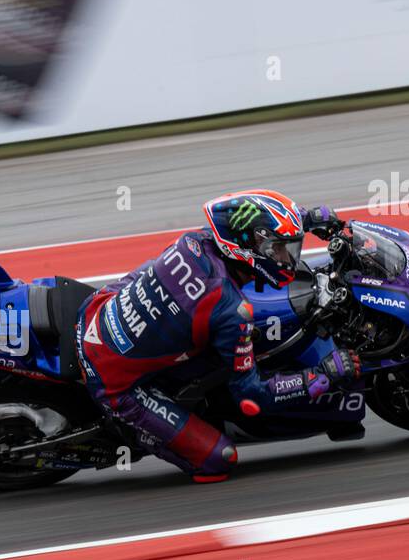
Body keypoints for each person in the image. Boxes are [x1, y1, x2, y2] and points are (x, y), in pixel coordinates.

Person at [75, 190, 360, 482]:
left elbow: (246, 223)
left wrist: (306, 218)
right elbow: (253, 395)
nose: (286, 258)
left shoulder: (196, 241)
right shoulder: (230, 311)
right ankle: (135, 433)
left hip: (98, 308)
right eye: (277, 249)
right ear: (246, 249)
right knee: (219, 460)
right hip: (113, 381)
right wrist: (320, 376)